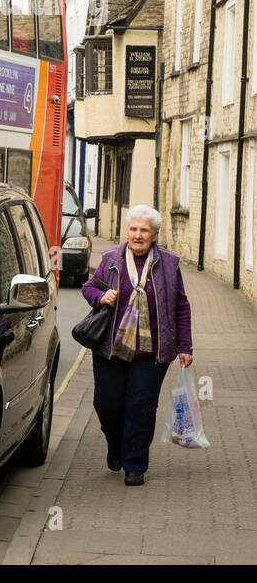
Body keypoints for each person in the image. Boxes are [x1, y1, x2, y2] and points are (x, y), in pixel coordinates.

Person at [82, 205, 193, 486]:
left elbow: (181, 304)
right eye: (133, 229)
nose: (138, 235)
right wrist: (101, 296)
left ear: (154, 235)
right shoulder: (111, 258)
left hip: (152, 351)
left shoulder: (169, 263)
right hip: (112, 347)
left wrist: (185, 346)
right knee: (106, 403)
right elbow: (88, 287)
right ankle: (116, 446)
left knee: (140, 406)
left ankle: (135, 464)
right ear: (127, 232)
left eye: (144, 230)